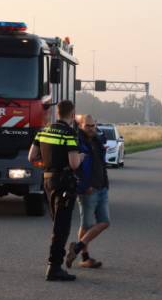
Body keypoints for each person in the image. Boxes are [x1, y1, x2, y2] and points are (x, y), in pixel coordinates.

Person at [29, 100, 84, 281]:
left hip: (47, 180)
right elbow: (74, 163)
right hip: (64, 182)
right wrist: (82, 156)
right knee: (62, 226)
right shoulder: (69, 133)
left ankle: (55, 265)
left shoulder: (43, 131)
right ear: (72, 113)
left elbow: (32, 157)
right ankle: (54, 267)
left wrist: (46, 165)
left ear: (57, 112)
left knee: (56, 223)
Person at [66, 114, 110, 269]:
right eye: (88, 126)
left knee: (105, 222)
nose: (91, 129)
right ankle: (85, 257)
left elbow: (101, 163)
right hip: (88, 190)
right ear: (81, 126)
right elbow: (75, 167)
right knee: (87, 225)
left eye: (93, 125)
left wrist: (105, 183)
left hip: (102, 187)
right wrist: (84, 186)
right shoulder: (77, 142)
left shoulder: (97, 140)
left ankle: (77, 248)